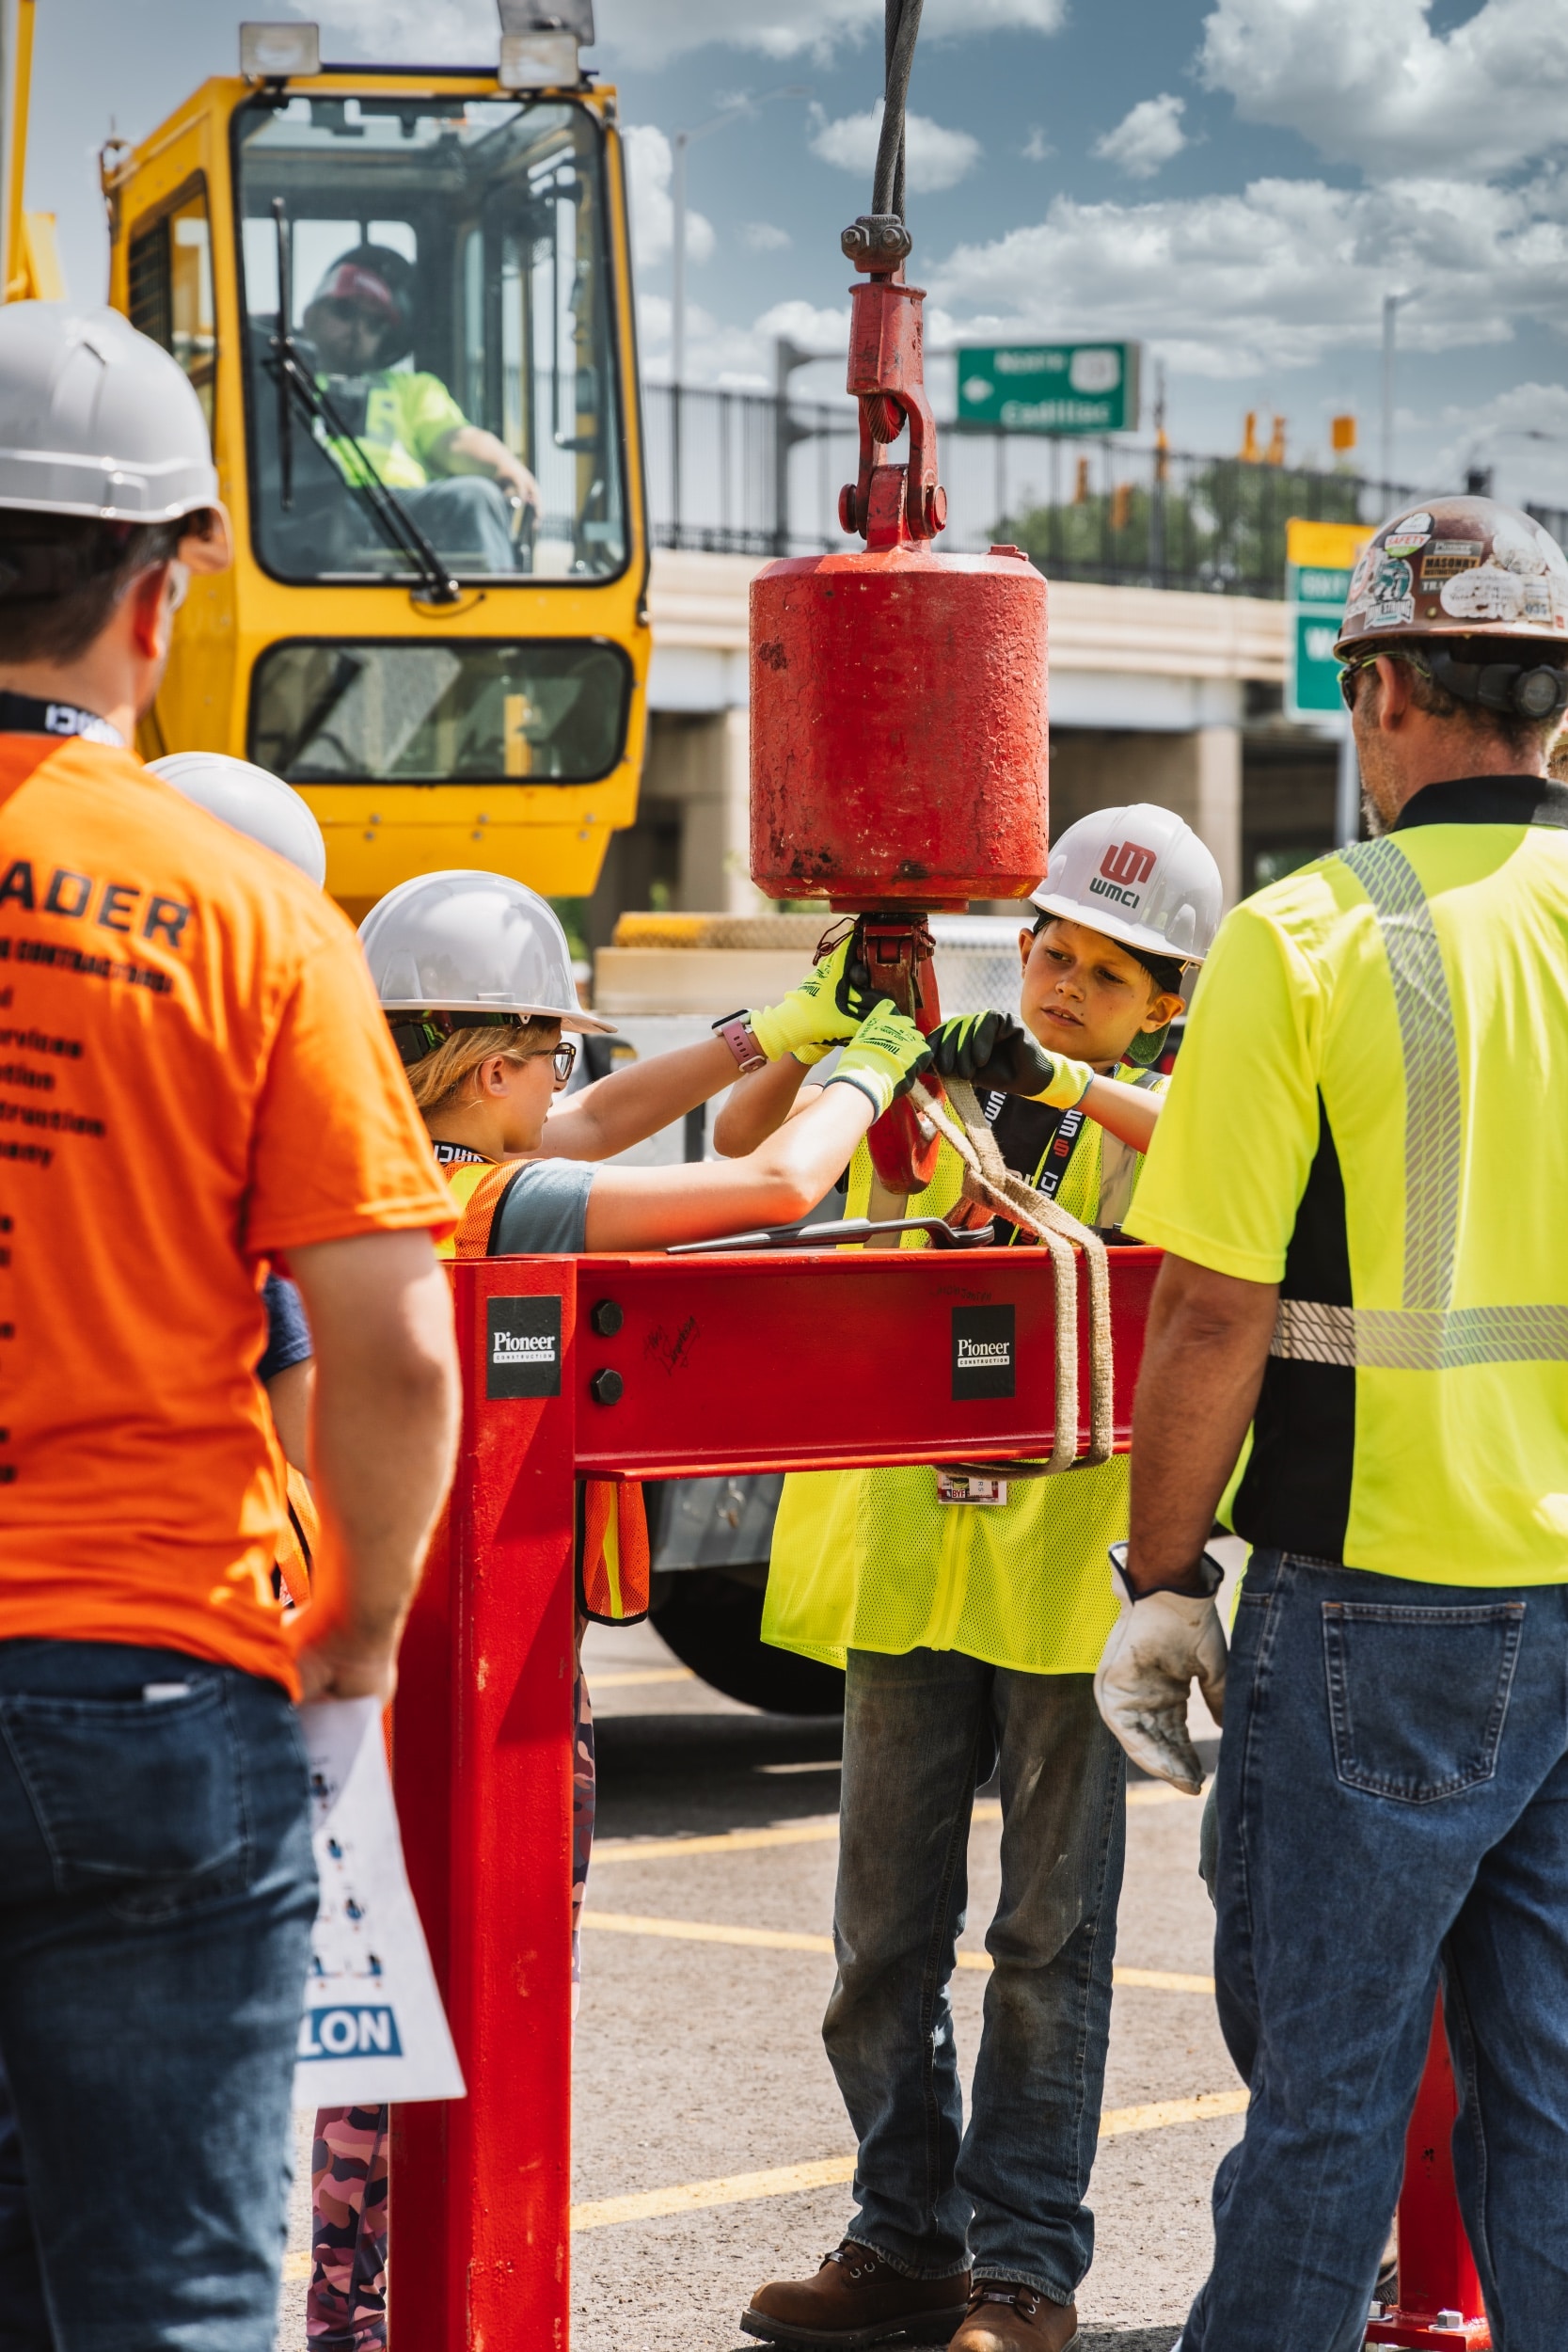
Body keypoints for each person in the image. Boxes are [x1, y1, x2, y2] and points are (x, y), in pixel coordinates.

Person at [301, 867, 937, 2350]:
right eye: (558, 1052)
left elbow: (585, 1130)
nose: (571, 1079)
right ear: (496, 1060)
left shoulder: (390, 1166)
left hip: (368, 1668)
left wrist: (763, 1026)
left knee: (371, 2040)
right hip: (480, 1693)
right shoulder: (503, 1204)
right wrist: (862, 1068)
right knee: (476, 2025)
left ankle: (355, 2311)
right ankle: (441, 2309)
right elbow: (774, 1191)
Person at [0, 302, 461, 2350]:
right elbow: (393, 1341)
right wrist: (349, 1637)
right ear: (161, 590)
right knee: (170, 2296)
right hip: (158, 1679)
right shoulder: (253, 912)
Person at [1101, 495, 1568, 2352]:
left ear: (1376, 688)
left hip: (1378, 1597)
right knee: (1544, 2106)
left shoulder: (1307, 936)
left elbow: (1205, 1306)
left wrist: (1155, 1577)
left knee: (1320, 2105)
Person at [725, 810, 1223, 2352]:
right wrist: (832, 1028)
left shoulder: (1168, 1108)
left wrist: (1061, 1083)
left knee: (1046, 1944)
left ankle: (1021, 2274)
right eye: (1050, 951)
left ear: (1168, 1006)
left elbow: (1206, 1155)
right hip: (909, 1561)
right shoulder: (924, 1075)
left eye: (1108, 975)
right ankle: (902, 2240)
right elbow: (750, 1154)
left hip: (1065, 1573)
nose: (1063, 985)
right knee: (879, 1939)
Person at [301, 247, 539, 573]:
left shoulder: (412, 389)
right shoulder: (271, 382)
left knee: (475, 496)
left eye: (374, 323)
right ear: (310, 316)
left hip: (400, 511)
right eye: (345, 311)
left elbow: (455, 440)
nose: (358, 329)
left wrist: (505, 468)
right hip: (308, 506)